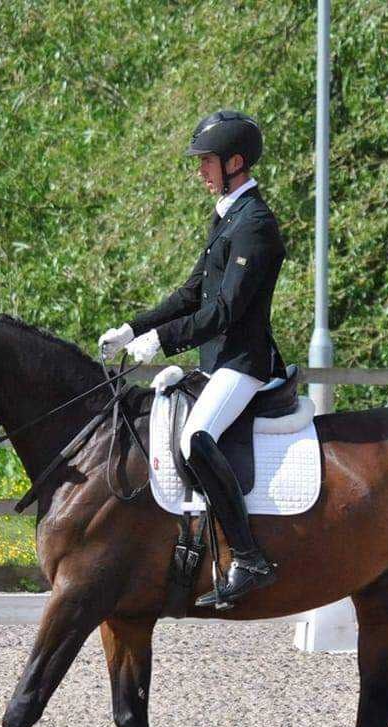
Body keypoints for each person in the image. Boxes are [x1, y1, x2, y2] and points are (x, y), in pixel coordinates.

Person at [98, 109, 288, 607]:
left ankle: (248, 558)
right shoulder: (227, 216)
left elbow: (225, 310)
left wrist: (162, 342)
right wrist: (134, 328)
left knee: (196, 439)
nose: (200, 172)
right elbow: (192, 293)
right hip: (216, 361)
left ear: (236, 162)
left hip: (243, 363)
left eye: (206, 162)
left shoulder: (256, 226)